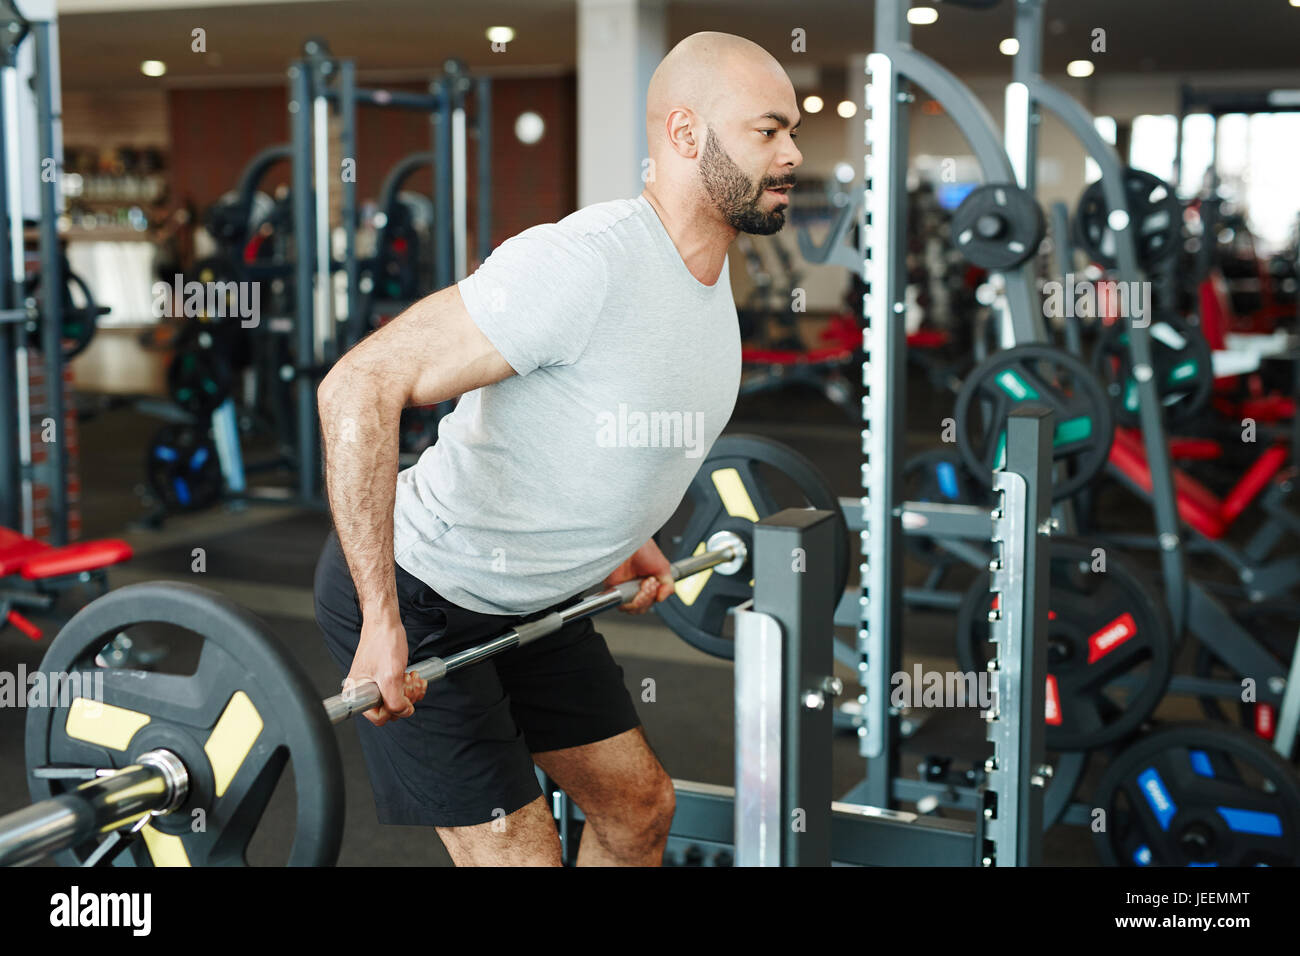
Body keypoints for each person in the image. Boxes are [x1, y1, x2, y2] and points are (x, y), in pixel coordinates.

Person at [314, 30, 802, 866]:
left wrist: (624, 538)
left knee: (641, 811)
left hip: (537, 602)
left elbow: (603, 421)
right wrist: (381, 619)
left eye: (792, 130)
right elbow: (356, 386)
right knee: (522, 852)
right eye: (768, 131)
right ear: (687, 136)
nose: (792, 153)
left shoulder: (712, 282)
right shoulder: (584, 262)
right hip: (425, 594)